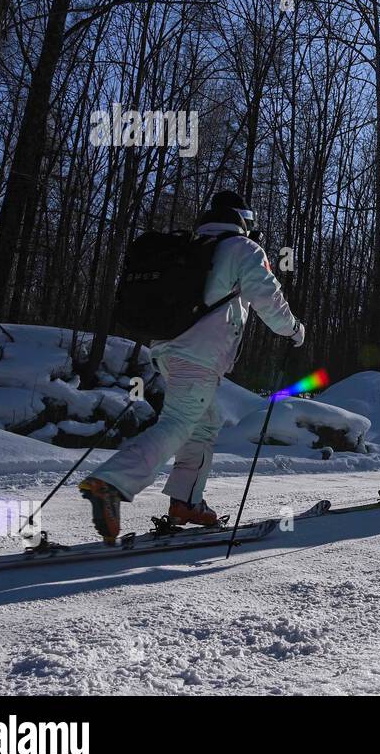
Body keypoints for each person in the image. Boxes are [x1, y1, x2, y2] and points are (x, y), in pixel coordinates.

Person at [80, 191, 304, 542]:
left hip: (169, 349)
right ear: (246, 221)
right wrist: (294, 330)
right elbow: (269, 300)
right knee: (180, 422)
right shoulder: (242, 249)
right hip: (199, 355)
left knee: (205, 421)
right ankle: (111, 483)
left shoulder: (194, 246)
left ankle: (186, 501)